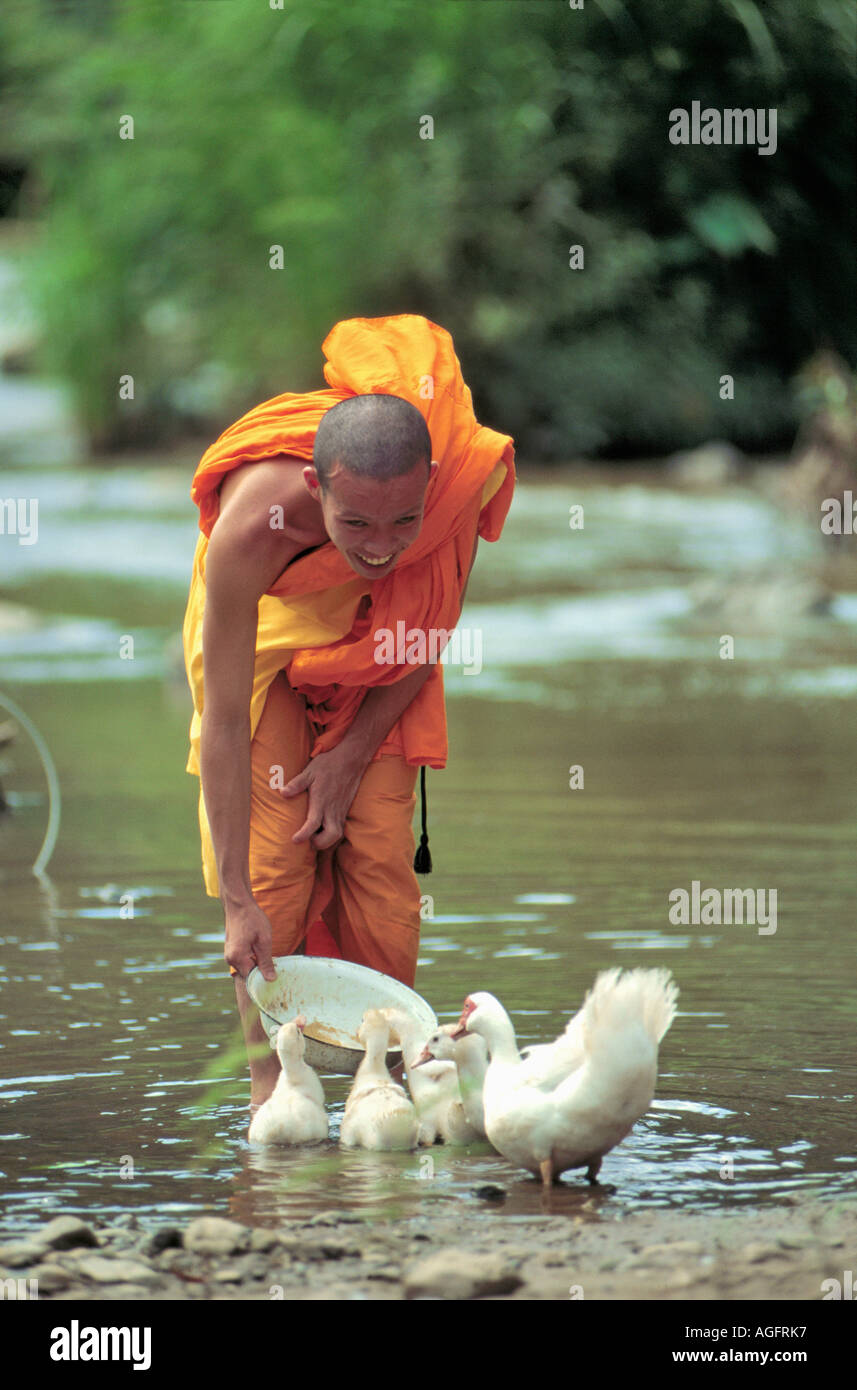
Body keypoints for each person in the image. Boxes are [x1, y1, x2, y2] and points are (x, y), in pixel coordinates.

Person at [182, 314, 515, 1106]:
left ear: (431, 487)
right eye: (355, 522)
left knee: (380, 869)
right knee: (272, 876)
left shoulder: (460, 485)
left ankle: (387, 1085)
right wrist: (234, 904)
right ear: (313, 489)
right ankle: (272, 1092)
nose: (381, 547)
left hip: (382, 663)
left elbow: (430, 623)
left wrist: (353, 750)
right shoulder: (248, 535)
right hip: (270, 663)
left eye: (405, 521)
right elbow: (223, 722)